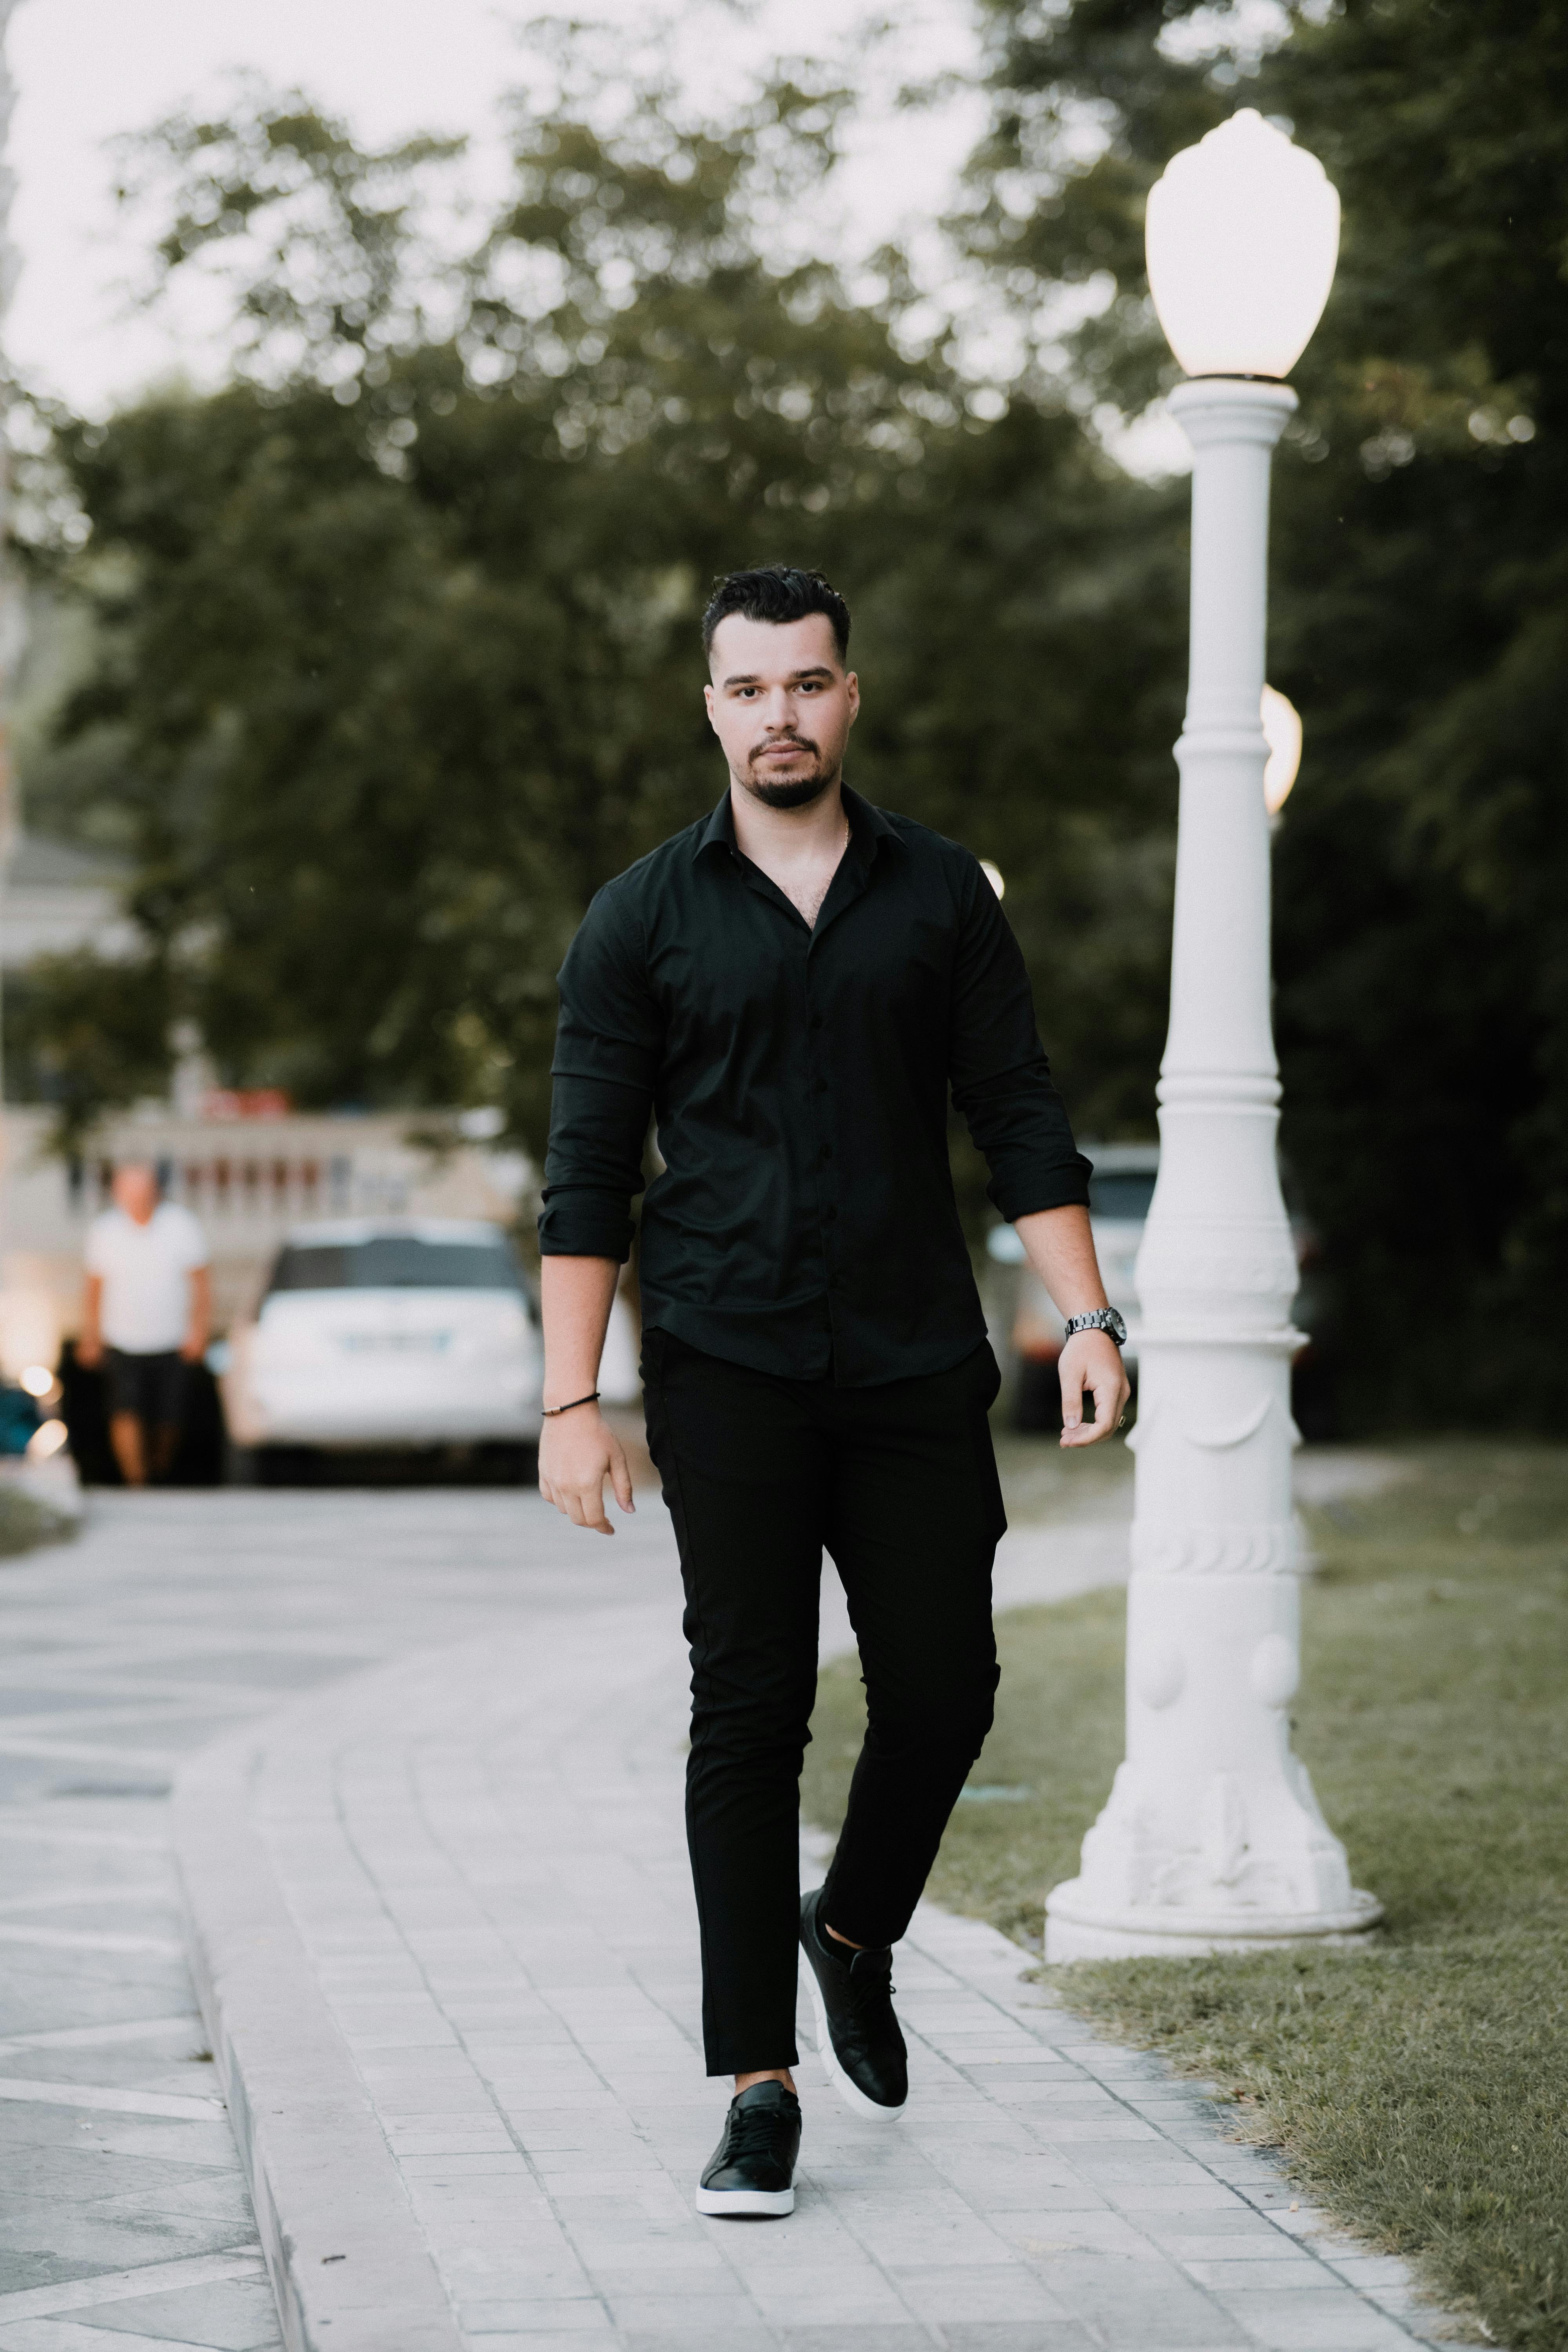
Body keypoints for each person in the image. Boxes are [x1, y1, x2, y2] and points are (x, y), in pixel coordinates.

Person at [537, 563, 1130, 2219]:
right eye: (747, 689)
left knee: (945, 1687)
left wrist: (1086, 1314)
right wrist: (568, 1402)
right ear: (709, 705)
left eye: (805, 684)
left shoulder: (939, 895)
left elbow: (1017, 1113)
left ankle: (854, 1925)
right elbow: (585, 1174)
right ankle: (755, 2085)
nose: (777, 713)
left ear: (846, 695)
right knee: (749, 1710)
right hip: (724, 1365)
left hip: (908, 1362)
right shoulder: (638, 917)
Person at [78, 1163, 211, 1488]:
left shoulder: (181, 1226)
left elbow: (202, 1284)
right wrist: (91, 1336)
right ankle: (137, 1481)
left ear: (155, 1192)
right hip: (122, 1338)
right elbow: (94, 1288)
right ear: (119, 1194)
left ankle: (159, 1470)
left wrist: (199, 1330)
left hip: (171, 1338)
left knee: (170, 1419)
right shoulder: (104, 1231)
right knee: (126, 1410)